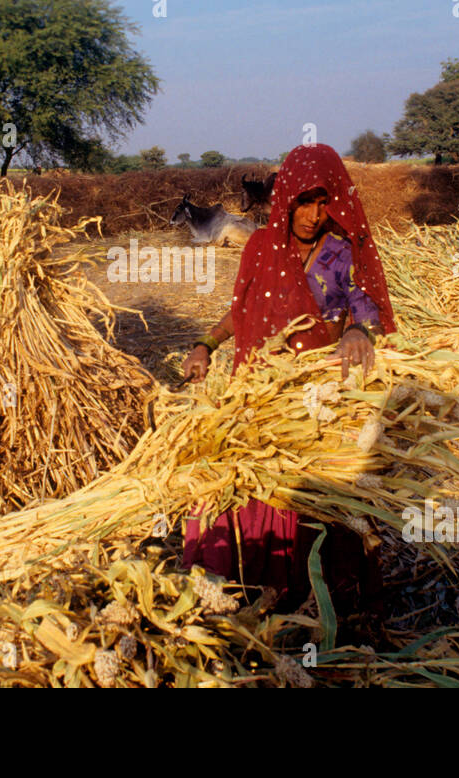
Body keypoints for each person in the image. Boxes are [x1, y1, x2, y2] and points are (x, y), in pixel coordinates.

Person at [179, 143, 397, 623]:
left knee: (315, 499)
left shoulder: (342, 253)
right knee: (237, 485)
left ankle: (315, 602)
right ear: (284, 200)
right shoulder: (260, 247)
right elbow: (240, 312)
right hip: (256, 394)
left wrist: (358, 332)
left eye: (323, 203)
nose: (313, 214)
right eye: (303, 201)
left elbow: (365, 307)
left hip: (312, 403)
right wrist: (205, 345)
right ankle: (234, 591)